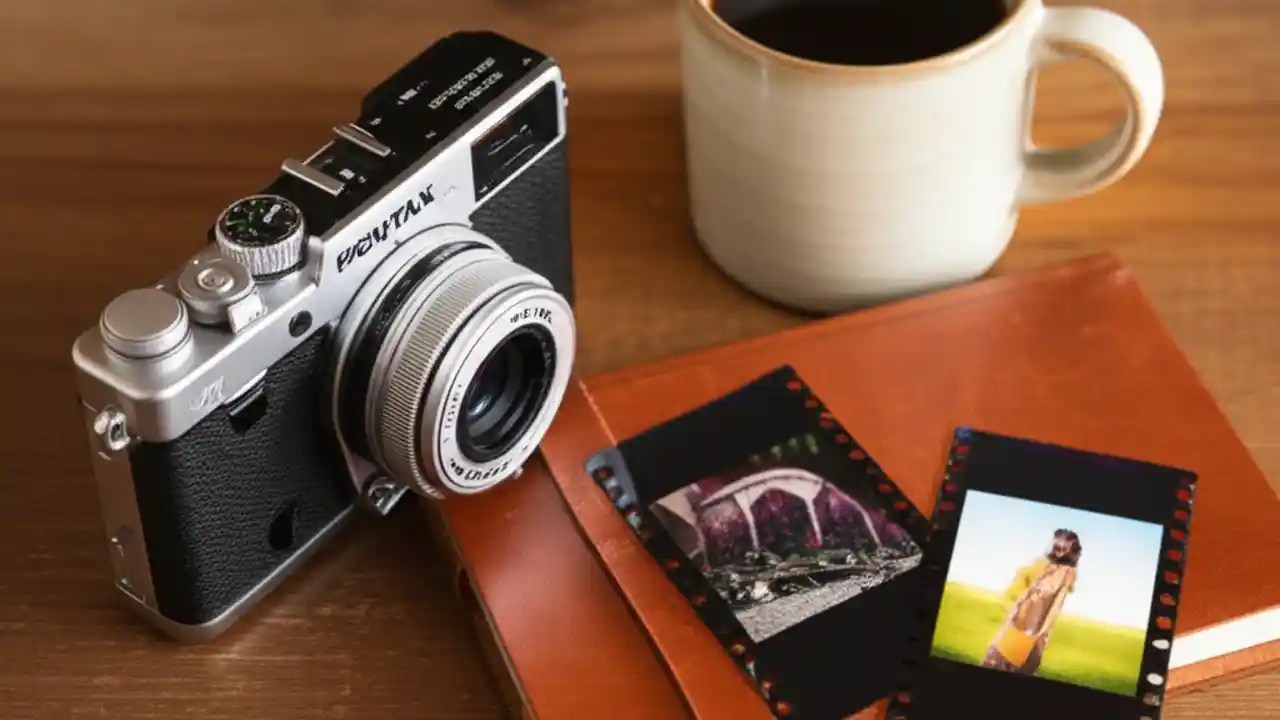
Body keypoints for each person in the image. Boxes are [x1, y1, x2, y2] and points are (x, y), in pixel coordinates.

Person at [981, 529, 1082, 674]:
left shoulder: (1067, 573)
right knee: (993, 659)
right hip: (1014, 626)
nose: (1059, 552)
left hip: (1031, 632)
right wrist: (1013, 612)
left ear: (1071, 550)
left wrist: (1043, 634)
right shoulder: (1045, 564)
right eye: (1056, 547)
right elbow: (1027, 593)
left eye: (1064, 549)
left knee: (1019, 664)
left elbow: (1055, 606)